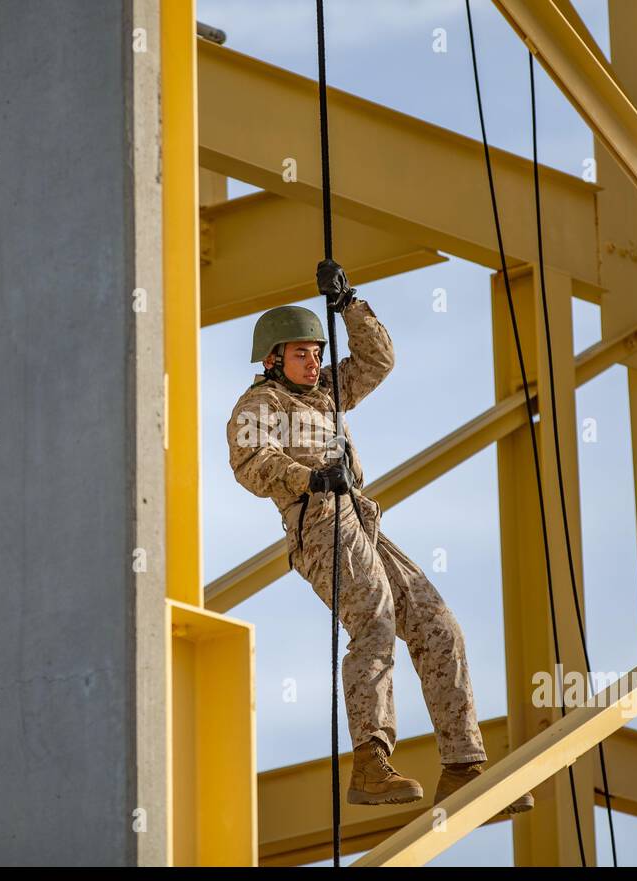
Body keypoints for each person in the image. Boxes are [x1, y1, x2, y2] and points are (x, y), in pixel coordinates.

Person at [224, 259, 533, 814]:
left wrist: (349, 306)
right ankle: (370, 762)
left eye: (317, 352)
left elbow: (378, 359)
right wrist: (309, 477)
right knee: (375, 618)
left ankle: (463, 766)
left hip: (362, 522)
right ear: (273, 360)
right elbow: (250, 462)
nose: (314, 361)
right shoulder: (261, 405)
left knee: (438, 625)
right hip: (319, 524)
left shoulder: (329, 395)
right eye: (301, 352)